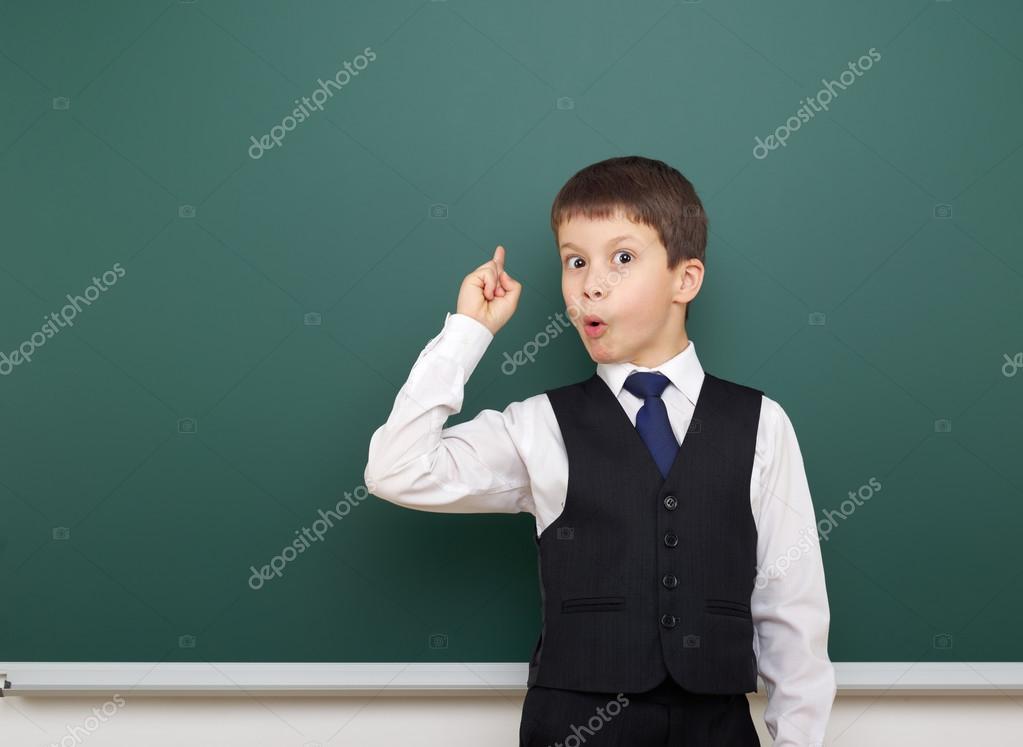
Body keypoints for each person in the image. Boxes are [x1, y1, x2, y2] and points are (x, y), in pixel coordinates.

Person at [364, 155, 836, 746]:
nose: (590, 284)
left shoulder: (761, 423)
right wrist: (468, 331)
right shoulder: (538, 427)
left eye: (622, 259)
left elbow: (792, 608)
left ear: (684, 280)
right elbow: (396, 470)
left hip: (716, 729)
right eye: (575, 261)